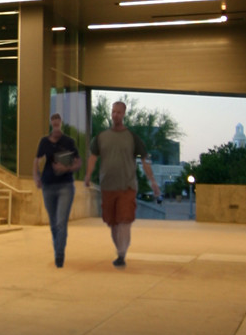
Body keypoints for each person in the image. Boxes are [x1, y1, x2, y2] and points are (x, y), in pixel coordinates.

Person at [85, 98, 161, 267]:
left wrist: (153, 182)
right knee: (112, 223)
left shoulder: (132, 138)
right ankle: (119, 249)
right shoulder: (101, 137)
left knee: (124, 220)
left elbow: (144, 161)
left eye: (119, 112)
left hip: (127, 186)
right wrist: (88, 175)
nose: (115, 115)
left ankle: (121, 254)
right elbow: (93, 157)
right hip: (108, 186)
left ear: (124, 114)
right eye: (113, 112)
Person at [34, 111, 80, 268]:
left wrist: (66, 168)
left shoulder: (69, 142)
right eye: (53, 122)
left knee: (61, 222)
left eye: (57, 122)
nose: (55, 124)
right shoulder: (44, 142)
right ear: (51, 123)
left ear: (61, 123)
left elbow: (78, 162)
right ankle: (58, 249)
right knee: (54, 223)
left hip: (65, 186)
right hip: (48, 185)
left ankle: (59, 255)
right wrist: (36, 176)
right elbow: (37, 160)